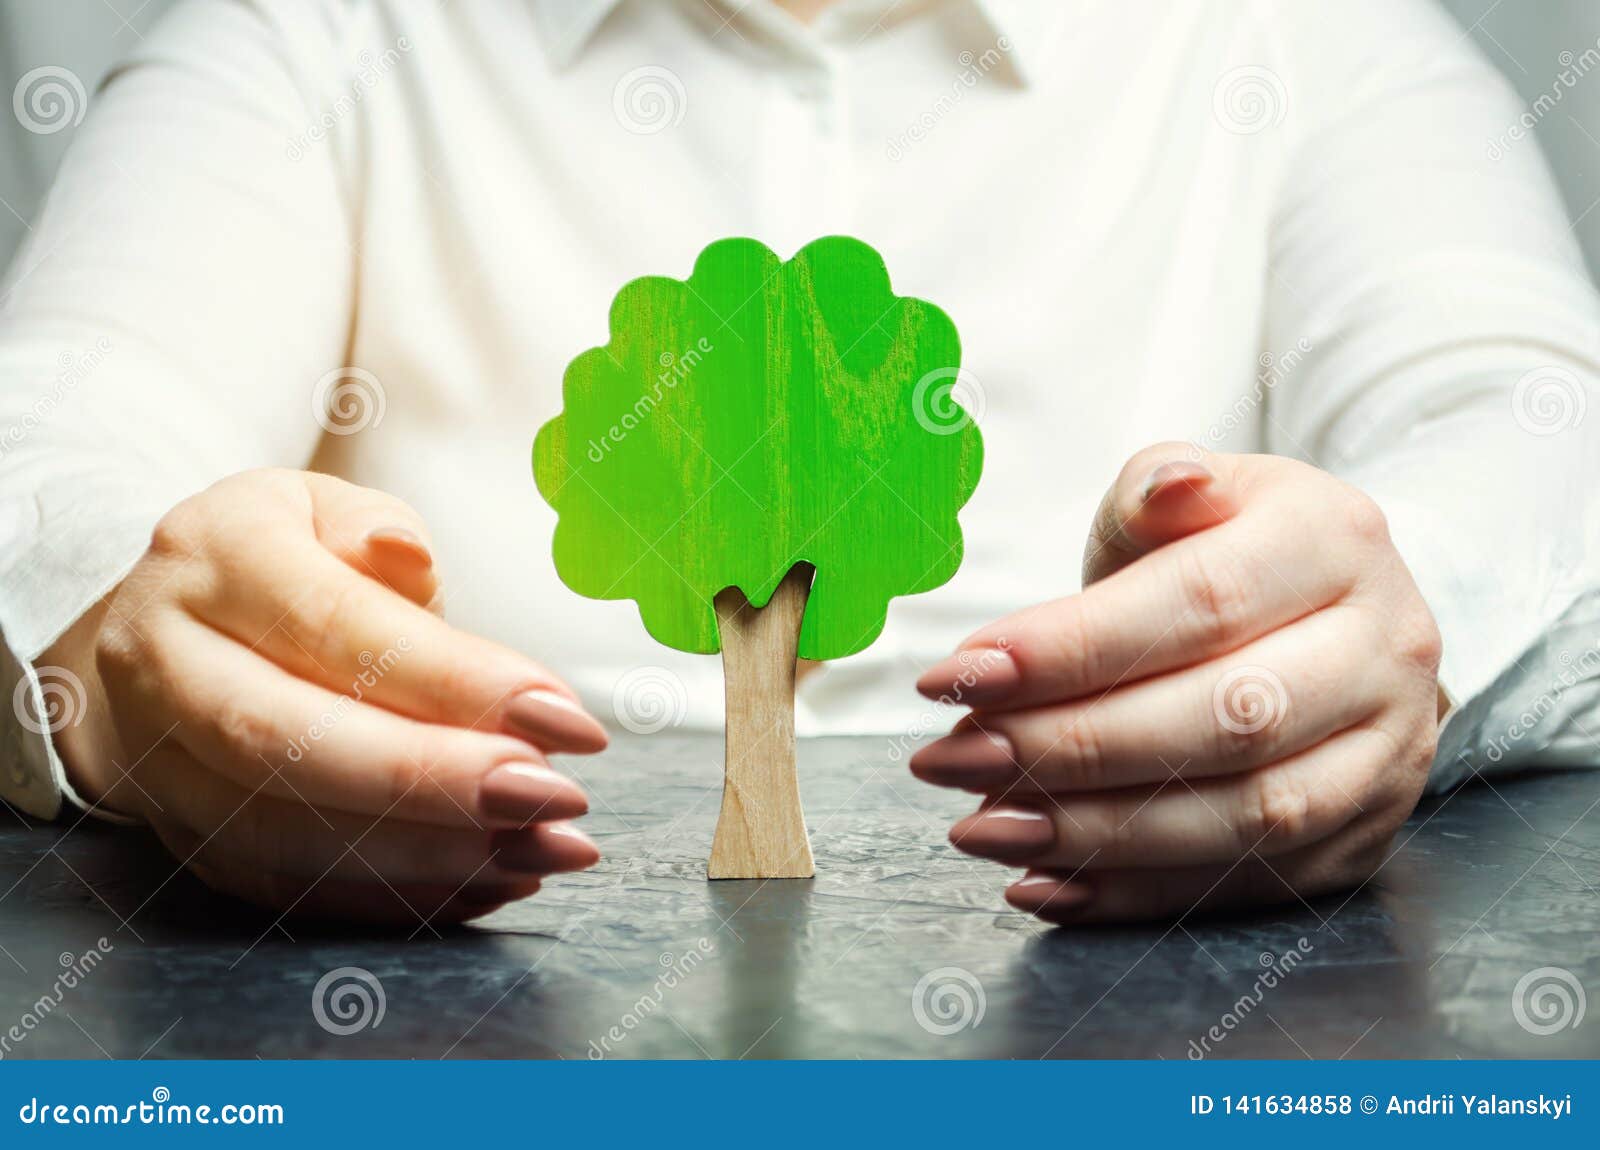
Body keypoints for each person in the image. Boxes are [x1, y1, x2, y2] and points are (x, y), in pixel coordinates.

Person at [2, 0, 1597, 927]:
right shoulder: (305, 34)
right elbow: (58, 429)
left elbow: (1540, 432)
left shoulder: (1316, 37)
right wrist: (120, 637)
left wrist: (1407, 618)